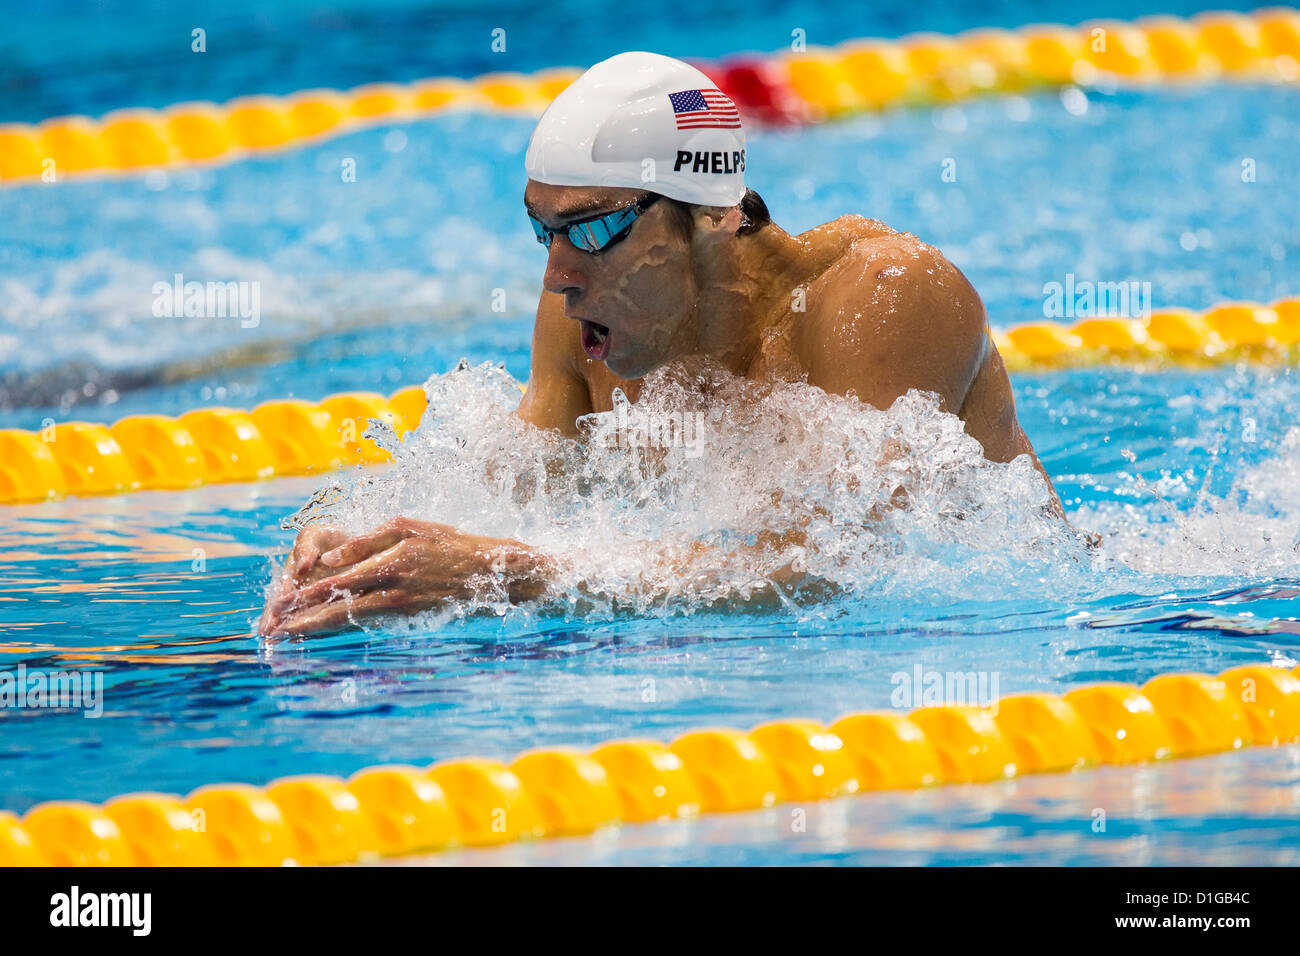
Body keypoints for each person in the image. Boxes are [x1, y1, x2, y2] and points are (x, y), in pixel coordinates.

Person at [259, 51, 1069, 638]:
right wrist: (358, 543)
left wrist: (521, 571)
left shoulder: (885, 298)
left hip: (1030, 644)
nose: (558, 275)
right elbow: (504, 484)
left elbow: (834, 566)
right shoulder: (594, 329)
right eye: (543, 232)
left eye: (595, 227)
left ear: (710, 217)